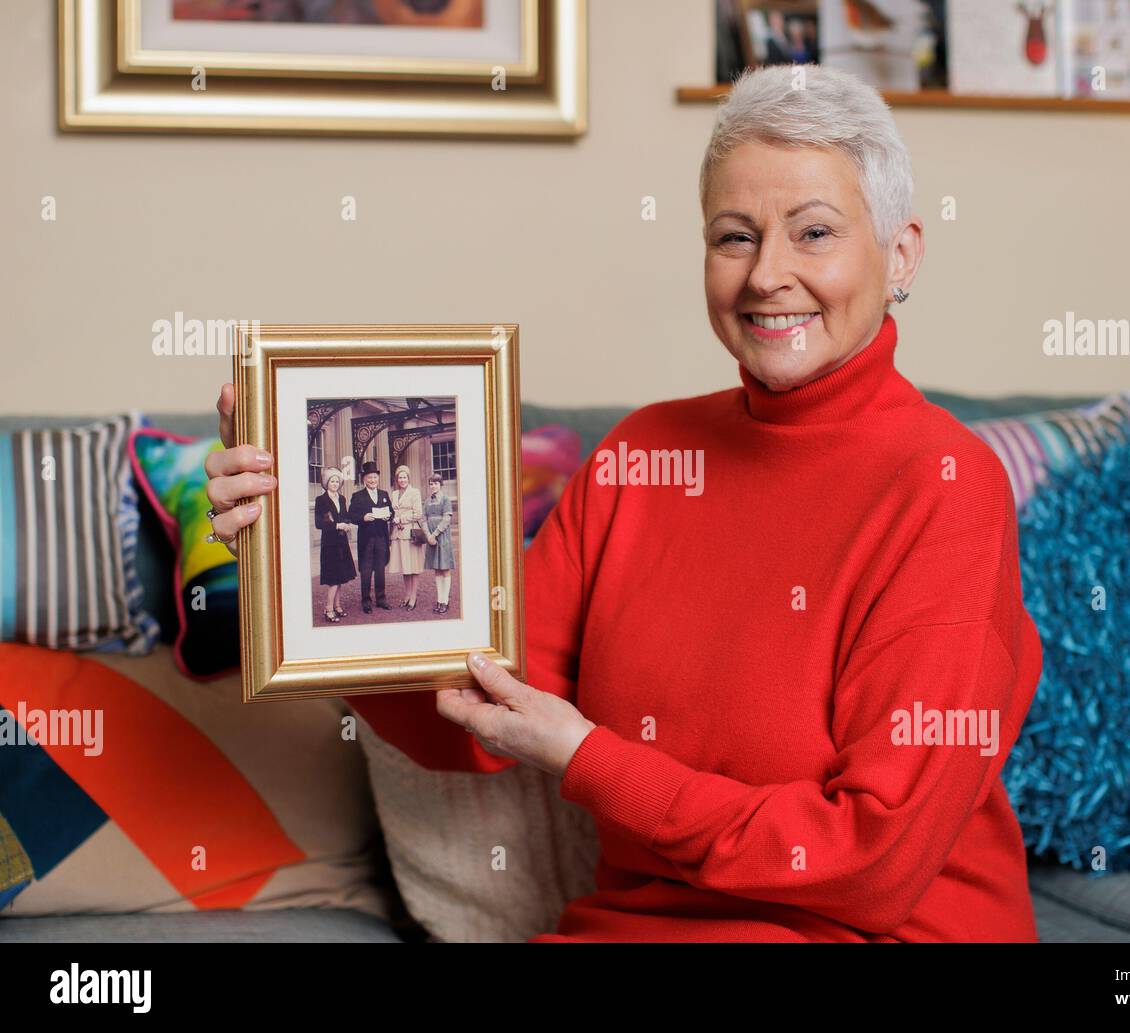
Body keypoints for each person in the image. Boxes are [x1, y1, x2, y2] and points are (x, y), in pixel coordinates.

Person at [204, 63, 1043, 942]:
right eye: (733, 237)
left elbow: (871, 865)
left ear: (901, 252)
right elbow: (480, 718)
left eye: (815, 232)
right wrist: (288, 561)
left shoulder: (947, 485)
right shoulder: (639, 458)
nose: (767, 275)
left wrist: (590, 758)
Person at [347, 460, 392, 614]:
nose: (373, 480)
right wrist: (363, 517)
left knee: (380, 569)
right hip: (366, 539)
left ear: (377, 478)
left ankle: (381, 599)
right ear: (364, 479)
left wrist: (389, 517)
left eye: (375, 477)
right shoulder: (357, 496)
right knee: (366, 571)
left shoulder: (384, 494)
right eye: (369, 478)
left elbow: (391, 512)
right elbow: (351, 515)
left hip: (381, 537)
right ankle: (366, 600)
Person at [314, 467, 357, 623]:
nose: (334, 483)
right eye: (332, 481)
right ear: (327, 483)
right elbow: (319, 523)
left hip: (342, 541)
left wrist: (347, 524)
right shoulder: (321, 500)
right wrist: (337, 526)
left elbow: (344, 516)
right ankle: (329, 609)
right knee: (333, 578)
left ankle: (338, 606)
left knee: (341, 576)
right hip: (330, 543)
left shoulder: (342, 498)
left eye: (337, 481)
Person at [387, 464, 425, 609]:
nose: (402, 480)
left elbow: (418, 514)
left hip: (411, 534)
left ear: (408, 478)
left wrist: (401, 518)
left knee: (413, 567)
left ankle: (413, 598)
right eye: (399, 477)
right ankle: (407, 595)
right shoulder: (395, 494)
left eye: (404, 477)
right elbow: (393, 512)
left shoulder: (414, 492)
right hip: (398, 534)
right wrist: (393, 518)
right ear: (397, 479)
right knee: (405, 567)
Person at [422, 473, 456, 614]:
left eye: (436, 483)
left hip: (442, 538)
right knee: (437, 568)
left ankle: (445, 601)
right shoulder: (427, 501)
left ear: (440, 484)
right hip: (431, 538)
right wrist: (428, 535)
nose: (433, 486)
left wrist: (434, 534)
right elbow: (423, 519)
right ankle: (439, 600)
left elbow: (446, 519)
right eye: (431, 483)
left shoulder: (446, 499)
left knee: (445, 568)